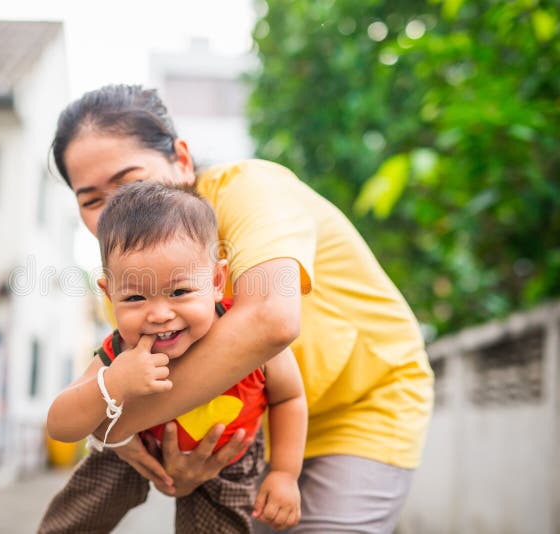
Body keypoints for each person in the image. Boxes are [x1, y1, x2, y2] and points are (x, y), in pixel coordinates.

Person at [43, 84, 434, 533]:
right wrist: (142, 440)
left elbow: (271, 320)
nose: (116, 208)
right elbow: (110, 391)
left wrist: (114, 423)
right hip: (251, 433)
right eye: (91, 200)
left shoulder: (251, 190)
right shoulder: (134, 276)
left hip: (362, 403)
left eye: (130, 182)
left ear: (182, 160)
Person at [41, 182, 307, 532]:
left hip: (226, 459)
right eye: (135, 298)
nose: (160, 314)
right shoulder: (122, 350)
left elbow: (290, 397)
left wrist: (286, 474)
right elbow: (60, 426)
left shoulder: (245, 335)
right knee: (79, 509)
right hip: (134, 445)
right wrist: (114, 383)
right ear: (109, 293)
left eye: (180, 292)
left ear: (216, 280)